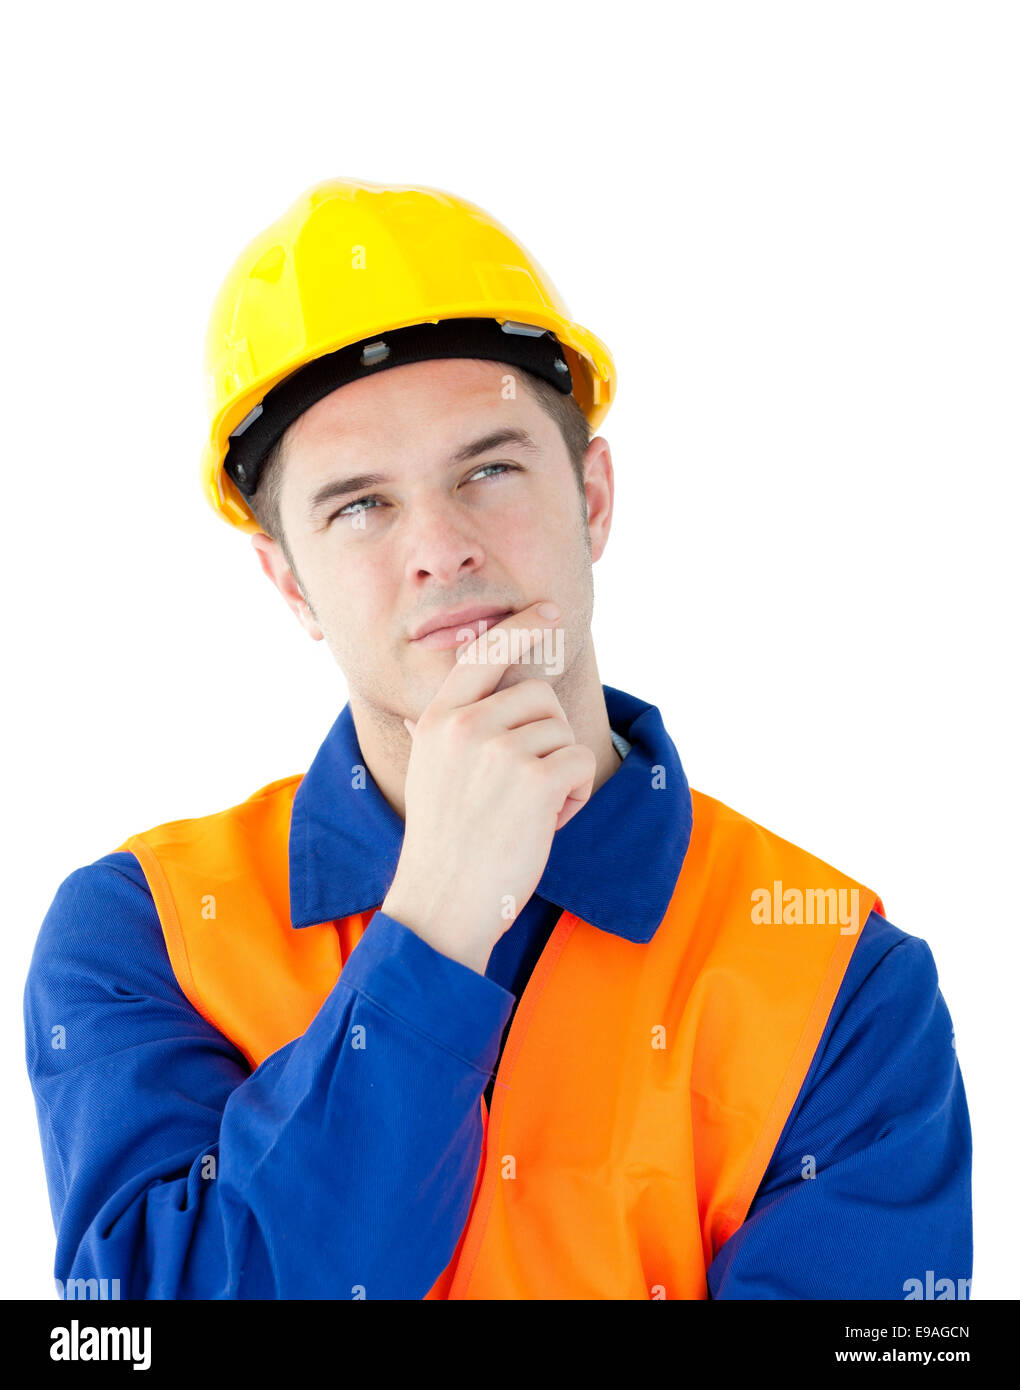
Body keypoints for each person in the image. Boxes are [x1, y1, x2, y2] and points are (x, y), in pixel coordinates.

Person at [24, 177, 972, 1300]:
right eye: (359, 505)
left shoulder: (840, 979)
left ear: (594, 494)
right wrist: (432, 927)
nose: (438, 547)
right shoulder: (145, 932)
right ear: (289, 580)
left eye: (487, 468)